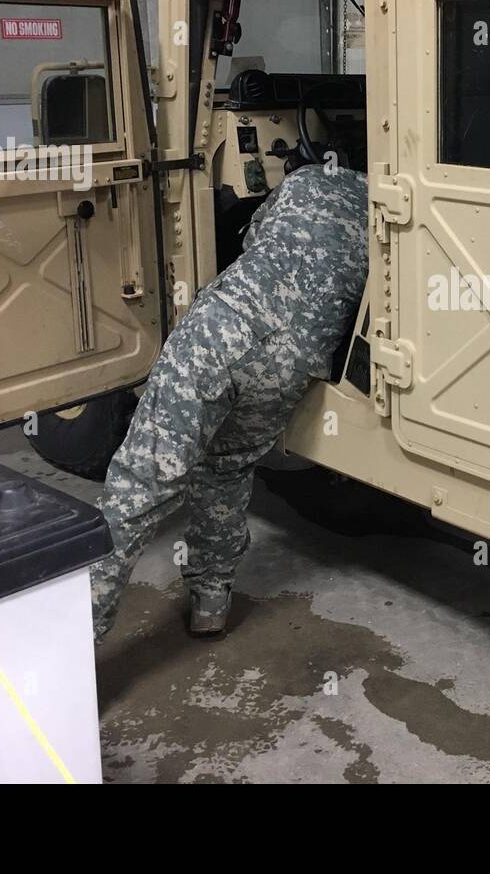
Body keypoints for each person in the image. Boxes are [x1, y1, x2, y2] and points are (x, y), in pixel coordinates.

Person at [90, 164, 368, 639]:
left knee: (143, 480)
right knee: (227, 469)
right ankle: (210, 603)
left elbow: (252, 236)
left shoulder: (305, 179)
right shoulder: (383, 213)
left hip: (221, 332)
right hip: (294, 361)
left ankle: (80, 631)